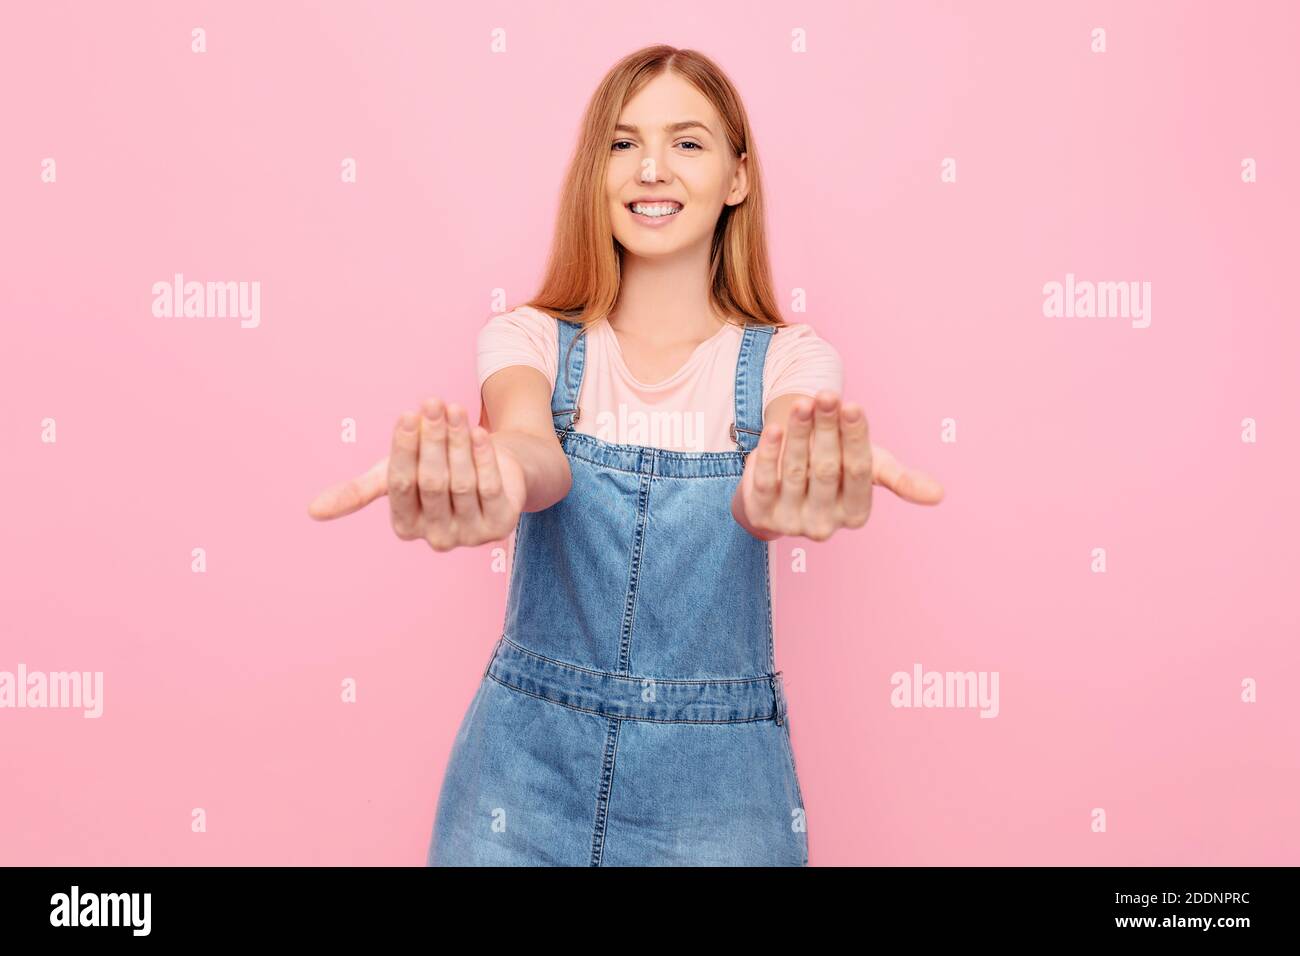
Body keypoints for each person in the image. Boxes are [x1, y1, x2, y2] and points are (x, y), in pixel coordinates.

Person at [307, 44, 944, 866]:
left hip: (720, 798)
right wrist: (496, 475)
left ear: (738, 178)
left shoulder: (791, 360)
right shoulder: (528, 338)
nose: (651, 168)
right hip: (519, 779)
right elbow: (536, 454)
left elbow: (762, 487)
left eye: (687, 143)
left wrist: (782, 487)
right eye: (621, 143)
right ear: (594, 172)